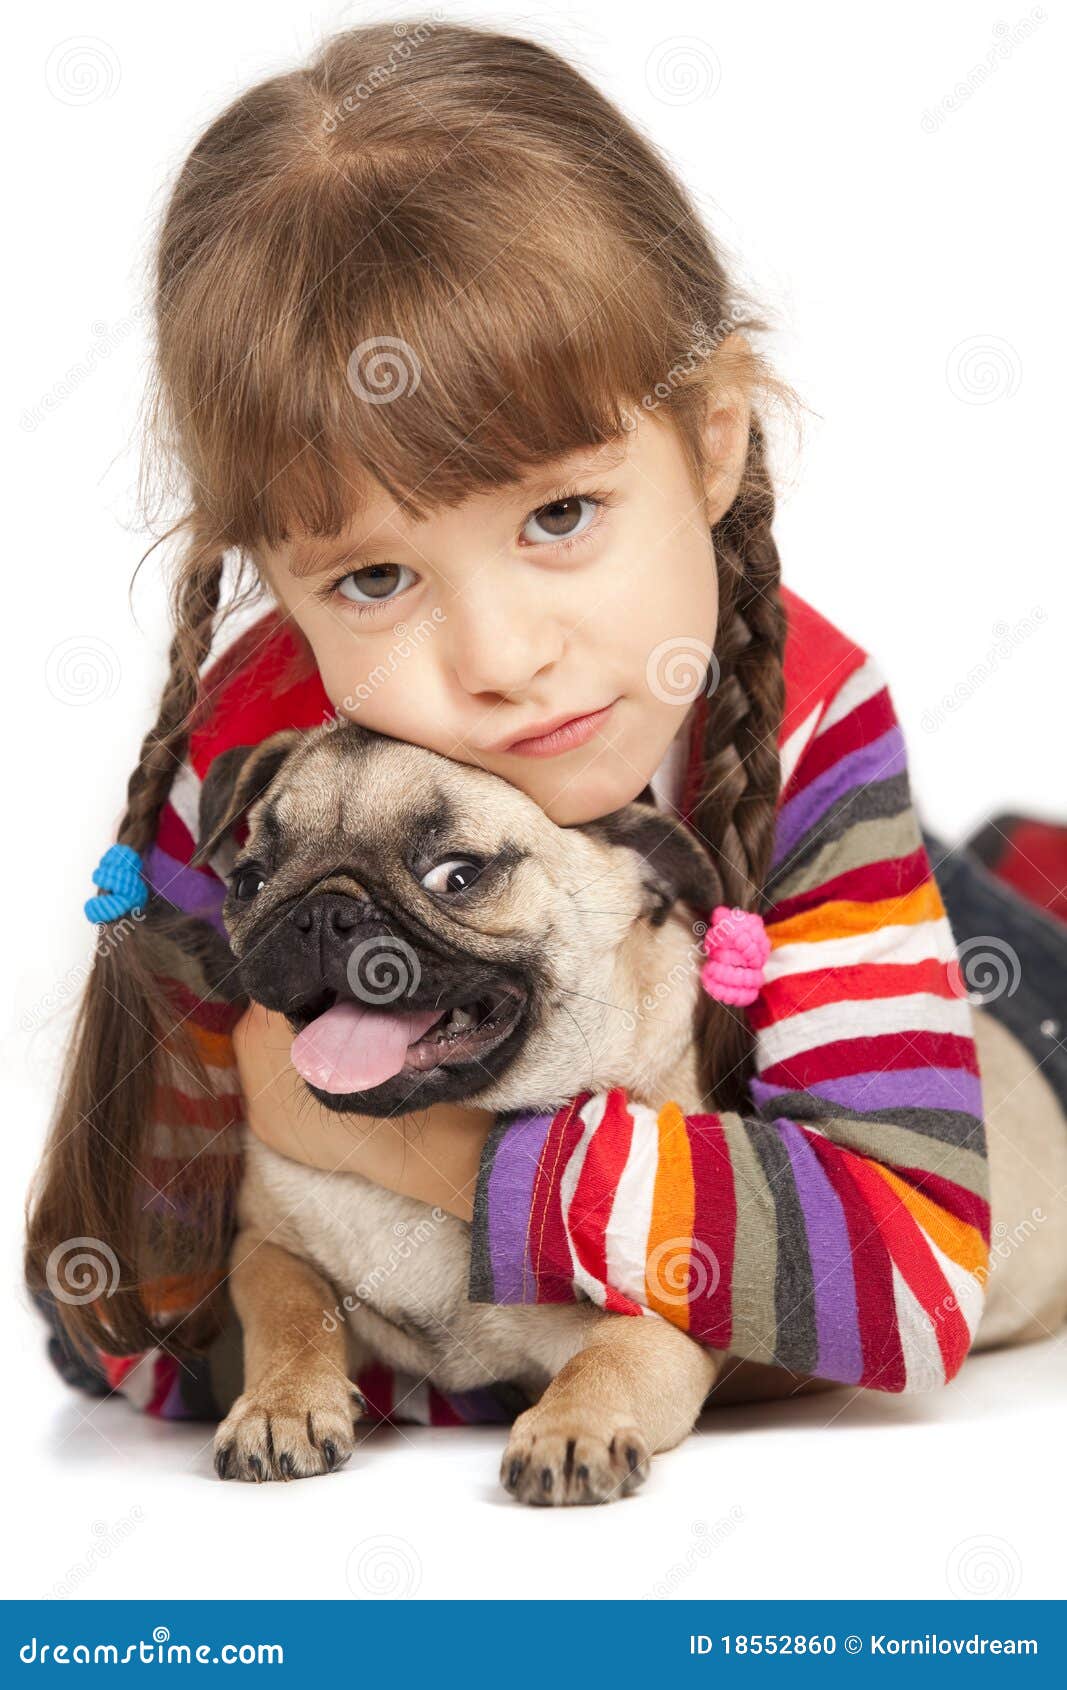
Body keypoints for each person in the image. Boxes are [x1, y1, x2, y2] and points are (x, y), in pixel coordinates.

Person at [27, 19, 1062, 1436]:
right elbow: (125, 1327)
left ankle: (1017, 875)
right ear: (279, 581)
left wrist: (431, 1159)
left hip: (990, 1010)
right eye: (375, 578)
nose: (502, 657)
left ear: (710, 438)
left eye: (559, 515)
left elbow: (915, 1286)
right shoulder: (254, 779)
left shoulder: (807, 719)